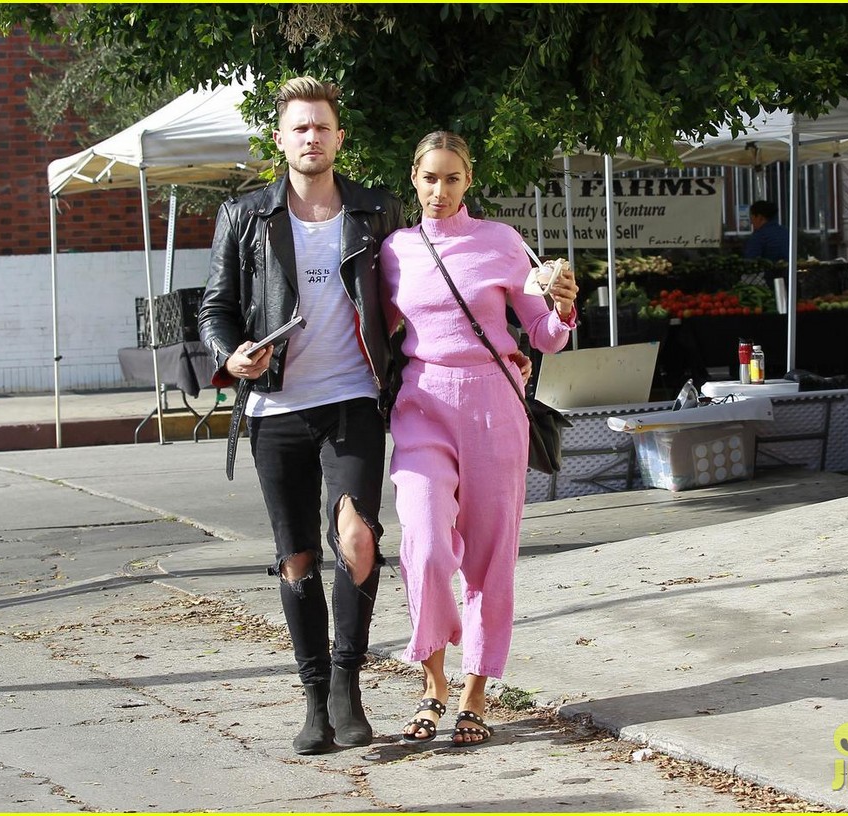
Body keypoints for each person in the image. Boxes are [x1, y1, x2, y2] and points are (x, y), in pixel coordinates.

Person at [196, 76, 404, 755]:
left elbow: (416, 296)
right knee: (296, 560)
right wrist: (234, 354)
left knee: (358, 540)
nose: (311, 137)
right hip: (276, 406)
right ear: (280, 139)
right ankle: (313, 699)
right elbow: (214, 308)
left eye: (322, 126)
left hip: (352, 400)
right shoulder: (246, 215)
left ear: (339, 138)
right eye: (300, 127)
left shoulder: (374, 213)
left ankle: (347, 683)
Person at [379, 131, 579, 747]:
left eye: (452, 179)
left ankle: (473, 693)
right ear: (413, 178)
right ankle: (431, 680)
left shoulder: (500, 242)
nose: (440, 191)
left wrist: (564, 307)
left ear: (469, 181)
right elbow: (369, 334)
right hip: (422, 404)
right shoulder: (394, 251)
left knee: (492, 555)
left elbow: (543, 337)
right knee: (425, 539)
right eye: (429, 178)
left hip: (494, 403)